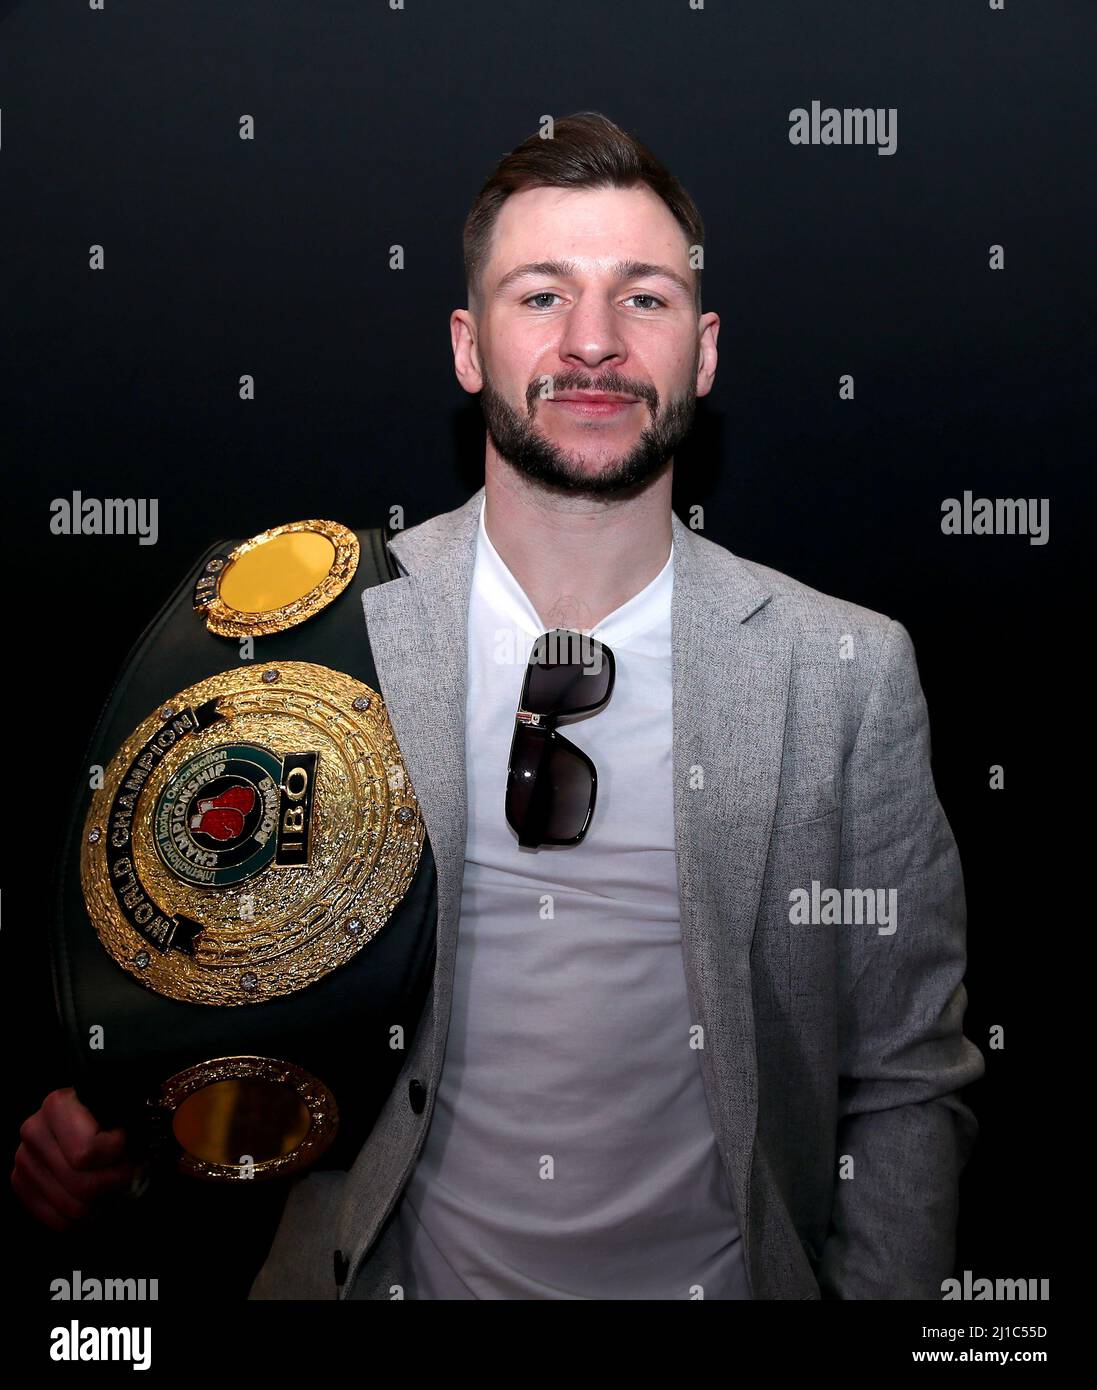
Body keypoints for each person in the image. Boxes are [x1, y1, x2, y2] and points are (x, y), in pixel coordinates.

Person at [12, 111, 984, 1300]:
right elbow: (221, 982)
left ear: (705, 348)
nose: (591, 344)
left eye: (642, 299)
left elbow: (901, 1081)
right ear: (468, 348)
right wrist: (130, 1137)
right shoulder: (326, 626)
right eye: (541, 297)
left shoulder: (844, 669)